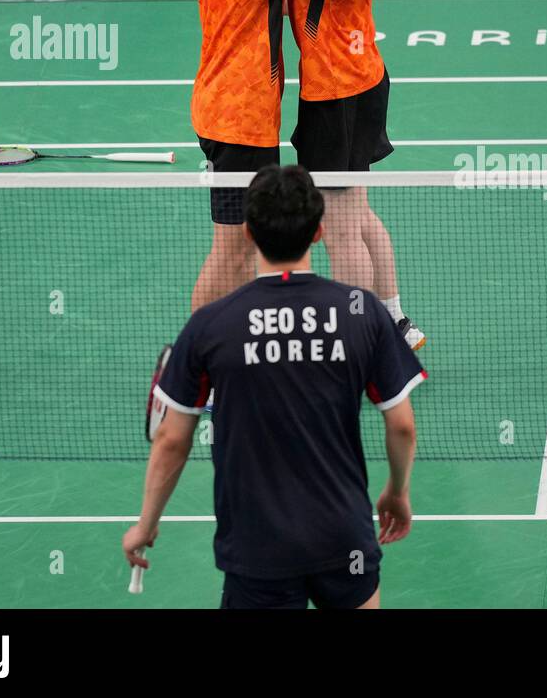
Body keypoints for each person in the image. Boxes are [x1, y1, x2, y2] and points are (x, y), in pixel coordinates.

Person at [158, 0, 459, 312]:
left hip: (316, 94)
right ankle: (199, 361)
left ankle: (373, 325)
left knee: (340, 223)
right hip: (247, 115)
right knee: (250, 246)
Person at [122, 164, 424, 609]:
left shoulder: (210, 324)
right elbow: (401, 426)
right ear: (319, 232)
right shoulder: (362, 313)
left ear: (246, 231)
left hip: (256, 545)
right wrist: (397, 491)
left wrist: (146, 524)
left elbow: (171, 440)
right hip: (343, 537)